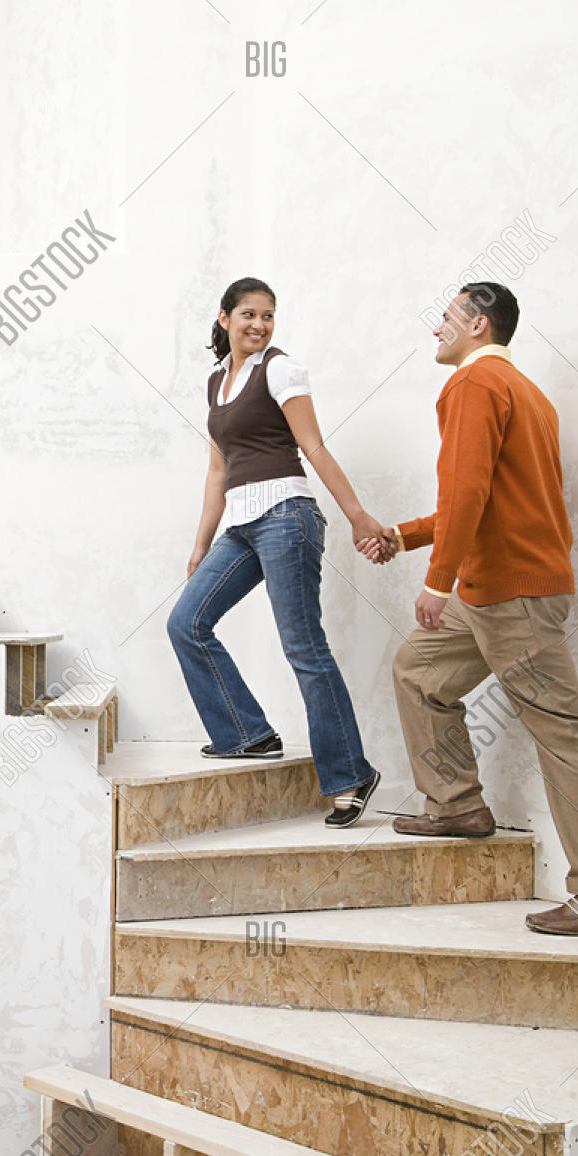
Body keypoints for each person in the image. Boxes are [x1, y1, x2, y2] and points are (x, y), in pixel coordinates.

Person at [360, 282, 578, 935]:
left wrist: (434, 584)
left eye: (445, 317)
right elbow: (480, 499)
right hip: (493, 591)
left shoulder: (472, 386)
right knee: (417, 671)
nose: (436, 328)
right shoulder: (525, 394)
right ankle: (456, 804)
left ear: (478, 325)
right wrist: (401, 537)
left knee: (565, 736)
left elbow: (465, 494)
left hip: (511, 596)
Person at [167, 276, 390, 828]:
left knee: (303, 647)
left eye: (268, 315)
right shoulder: (216, 381)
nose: (259, 325)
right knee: (186, 622)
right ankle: (247, 734)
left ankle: (349, 774)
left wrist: (358, 514)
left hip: (287, 516)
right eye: (248, 314)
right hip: (241, 526)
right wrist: (200, 544)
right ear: (225, 318)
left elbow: (311, 446)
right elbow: (218, 469)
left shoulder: (281, 369)